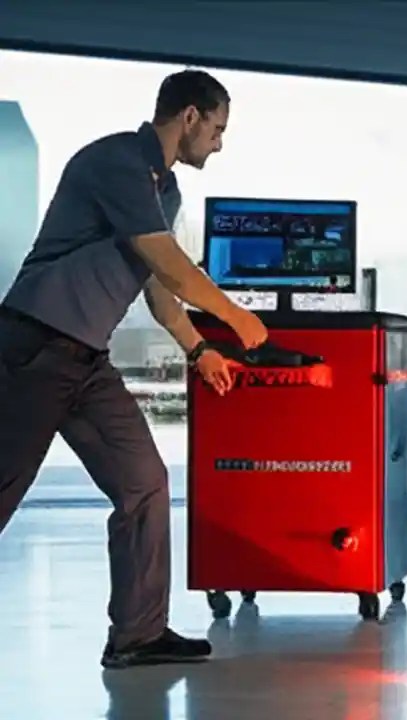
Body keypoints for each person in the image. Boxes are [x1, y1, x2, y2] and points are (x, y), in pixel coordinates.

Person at [0, 69, 268, 669]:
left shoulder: (164, 192)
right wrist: (233, 315)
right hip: (35, 347)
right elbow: (166, 260)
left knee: (144, 482)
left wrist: (199, 350)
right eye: (218, 129)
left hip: (87, 362)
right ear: (190, 116)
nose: (220, 144)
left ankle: (137, 635)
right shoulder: (116, 160)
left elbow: (154, 284)